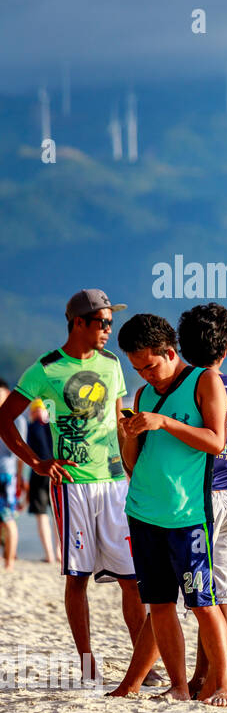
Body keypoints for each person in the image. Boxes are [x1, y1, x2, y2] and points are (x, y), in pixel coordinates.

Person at [0, 289, 148, 682]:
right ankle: (88, 664)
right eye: (102, 323)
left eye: (110, 325)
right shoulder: (46, 369)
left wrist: (134, 467)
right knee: (78, 577)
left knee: (132, 579)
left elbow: (118, 422)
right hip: (72, 486)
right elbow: (4, 418)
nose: (107, 331)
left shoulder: (113, 364)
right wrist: (37, 461)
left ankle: (142, 663)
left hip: (114, 482)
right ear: (78, 323)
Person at [107, 314, 227, 705]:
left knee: (203, 604)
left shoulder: (205, 381)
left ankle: (223, 683)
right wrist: (128, 436)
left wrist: (164, 422)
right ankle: (178, 685)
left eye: (150, 365)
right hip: (143, 510)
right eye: (137, 368)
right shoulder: (143, 396)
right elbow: (131, 463)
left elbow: (216, 441)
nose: (146, 375)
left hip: (187, 514)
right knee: (160, 605)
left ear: (170, 351)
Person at [174, 304, 227, 698]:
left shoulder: (187, 389)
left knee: (191, 597)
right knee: (225, 595)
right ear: (226, 348)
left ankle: (201, 679)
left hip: (198, 499)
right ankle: (219, 680)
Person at [24, 398, 59, 565]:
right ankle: (59, 553)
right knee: (58, 516)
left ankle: (50, 555)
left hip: (38, 473)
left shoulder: (31, 427)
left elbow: (25, 453)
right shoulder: (54, 426)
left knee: (42, 515)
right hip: (56, 472)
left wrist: (21, 478)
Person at [0, 380, 24, 570]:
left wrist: (20, 479)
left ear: (8, 393)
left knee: (8, 517)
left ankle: (10, 561)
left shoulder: (18, 420)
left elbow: (22, 454)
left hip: (7, 475)